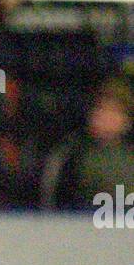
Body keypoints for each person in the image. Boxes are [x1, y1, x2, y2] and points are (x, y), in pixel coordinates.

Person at [40, 77, 134, 211]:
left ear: (126, 120)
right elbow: (51, 198)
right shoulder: (71, 154)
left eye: (112, 111)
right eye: (100, 109)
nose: (103, 116)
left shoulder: (129, 158)